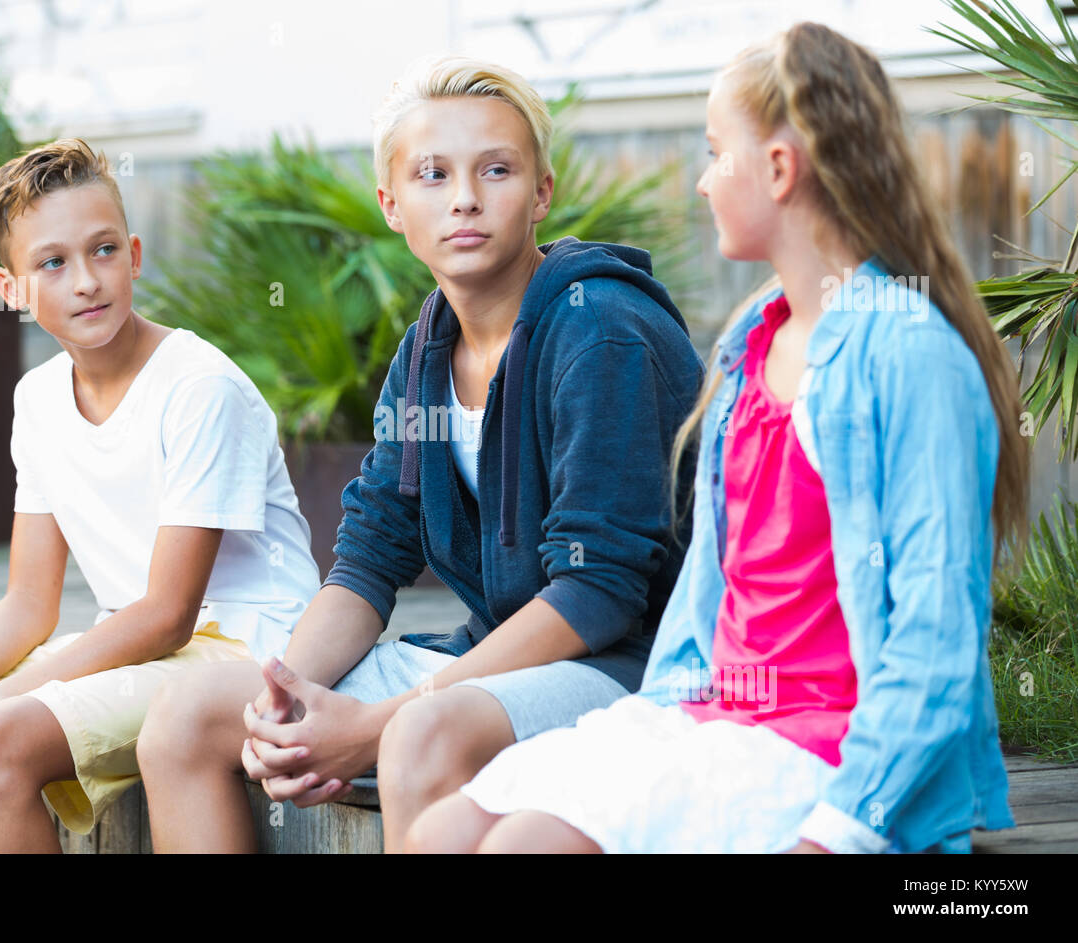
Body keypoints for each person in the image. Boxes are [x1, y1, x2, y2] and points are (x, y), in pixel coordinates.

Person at [408, 22, 1030, 854]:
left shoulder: (909, 354)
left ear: (778, 171)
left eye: (715, 153)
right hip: (714, 721)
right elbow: (710, 599)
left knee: (528, 846)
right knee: (447, 828)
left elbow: (936, 635)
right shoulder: (749, 349)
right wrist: (654, 734)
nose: (702, 183)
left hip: (831, 754)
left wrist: (841, 829)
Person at [135, 57, 704, 852]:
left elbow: (600, 591)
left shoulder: (597, 328)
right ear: (392, 204)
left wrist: (373, 724)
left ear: (541, 193)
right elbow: (372, 552)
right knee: (188, 719)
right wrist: (288, 692)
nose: (464, 196)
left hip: (638, 669)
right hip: (499, 658)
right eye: (432, 174)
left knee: (419, 736)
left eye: (495, 169)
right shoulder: (426, 351)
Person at [0, 138, 319, 852]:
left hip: (242, 650)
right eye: (53, 262)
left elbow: (170, 615)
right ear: (12, 288)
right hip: (136, 643)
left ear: (136, 254)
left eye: (104, 250)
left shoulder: (200, 388)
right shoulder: (39, 398)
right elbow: (30, 602)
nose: (86, 280)